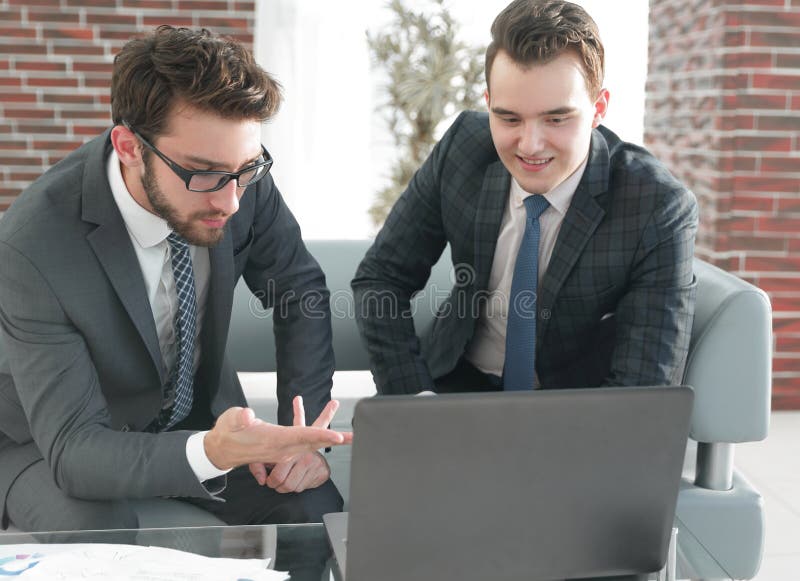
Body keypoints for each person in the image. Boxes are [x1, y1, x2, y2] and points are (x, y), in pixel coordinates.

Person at [0, 25, 351, 533]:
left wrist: (302, 435)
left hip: (200, 419)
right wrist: (211, 450)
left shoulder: (234, 173)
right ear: (128, 147)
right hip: (49, 442)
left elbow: (299, 292)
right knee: (103, 541)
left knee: (312, 512)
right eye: (203, 174)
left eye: (246, 170)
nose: (231, 201)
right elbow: (75, 449)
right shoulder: (33, 246)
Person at [353, 0, 698, 395]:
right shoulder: (464, 147)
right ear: (488, 104)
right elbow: (382, 277)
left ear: (598, 108)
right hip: (451, 385)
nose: (530, 145)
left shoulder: (655, 206)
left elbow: (644, 386)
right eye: (510, 118)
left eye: (556, 118)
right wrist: (414, 398)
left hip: (574, 407)